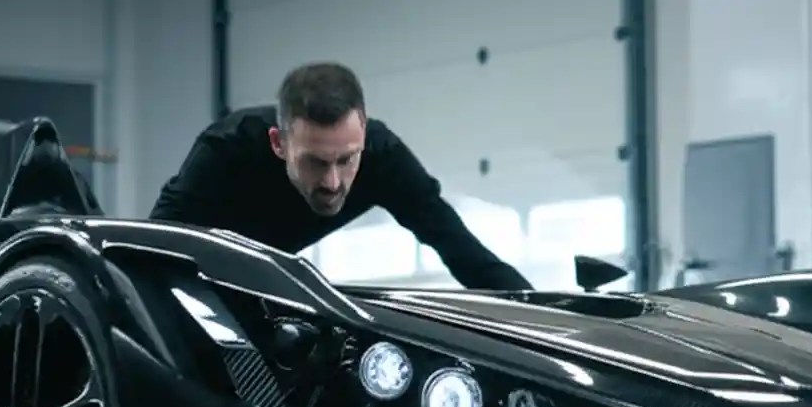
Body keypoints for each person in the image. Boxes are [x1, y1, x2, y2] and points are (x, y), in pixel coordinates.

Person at [150, 62, 533, 291]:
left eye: (347, 160)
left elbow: (466, 255)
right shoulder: (224, 153)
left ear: (363, 133)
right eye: (315, 163)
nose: (333, 183)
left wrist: (553, 323)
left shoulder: (382, 157)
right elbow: (146, 254)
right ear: (278, 144)